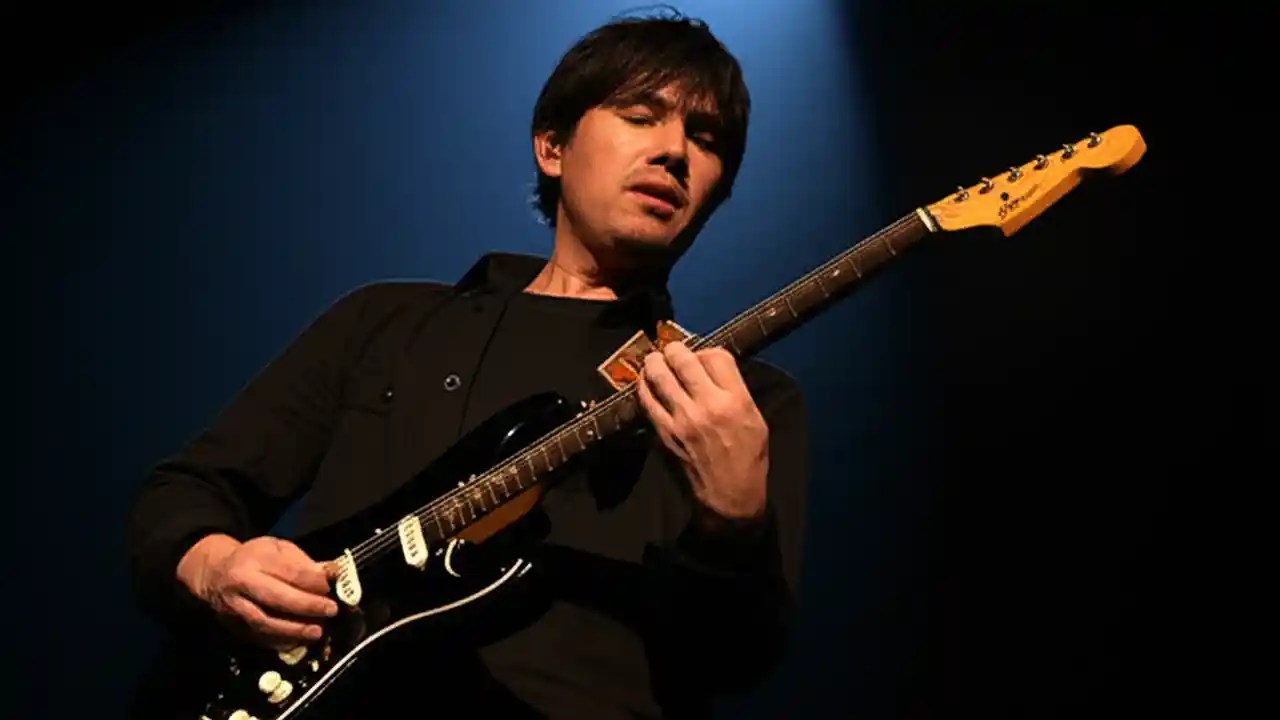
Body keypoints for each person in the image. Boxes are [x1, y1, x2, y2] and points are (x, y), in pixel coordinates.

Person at [125, 8, 809, 719]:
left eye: (706, 139)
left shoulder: (744, 398)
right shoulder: (387, 321)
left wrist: (733, 523)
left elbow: (739, 659)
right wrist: (215, 567)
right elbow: (185, 491)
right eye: (642, 115)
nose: (675, 150)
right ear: (553, 146)